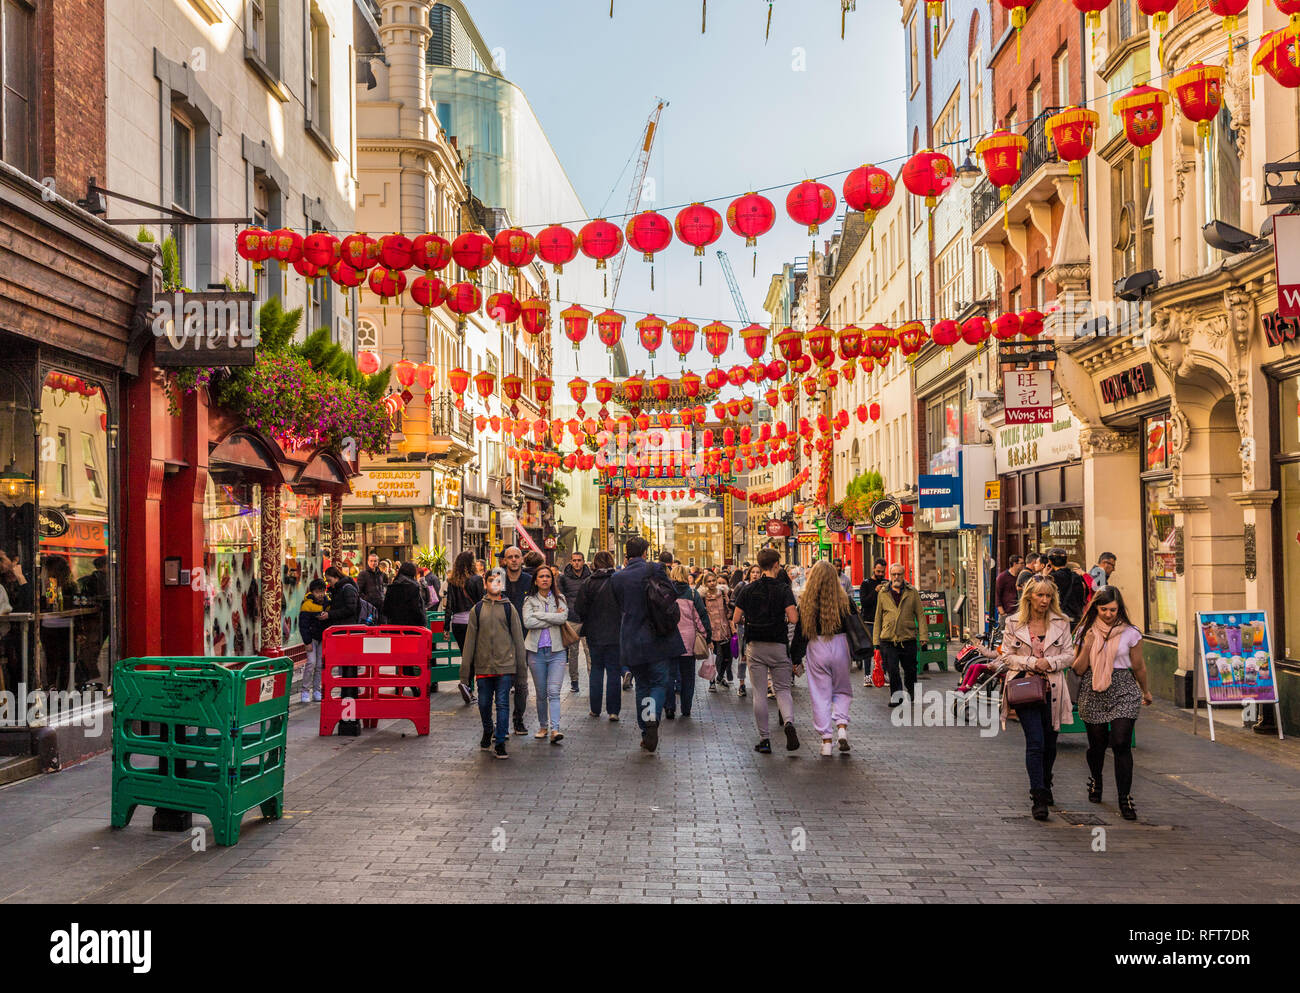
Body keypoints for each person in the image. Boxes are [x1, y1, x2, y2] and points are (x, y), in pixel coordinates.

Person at [1071, 587, 1150, 820]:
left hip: (1124, 687)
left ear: (1120, 608)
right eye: (1103, 609)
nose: (1108, 614)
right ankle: (1096, 778)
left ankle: (1125, 798)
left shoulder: (1131, 633)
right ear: (1095, 607)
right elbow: (1077, 668)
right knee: (1097, 745)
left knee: (1121, 742)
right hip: (1093, 687)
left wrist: (1145, 691)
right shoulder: (1085, 630)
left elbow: (1139, 666)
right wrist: (1088, 644)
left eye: (1113, 610)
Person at [1000, 577, 1076, 821]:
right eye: (1040, 596)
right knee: (1035, 741)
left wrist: (1050, 662)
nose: (1044, 601)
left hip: (1053, 688)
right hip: (1025, 687)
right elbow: (1007, 656)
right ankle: (1038, 797)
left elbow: (1069, 655)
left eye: (1048, 596)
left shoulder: (1061, 623)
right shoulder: (1013, 623)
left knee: (1050, 742)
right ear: (1029, 597)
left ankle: (1046, 780)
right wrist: (1032, 662)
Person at [609, 535, 683, 753]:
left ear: (626, 554)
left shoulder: (617, 578)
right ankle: (652, 719)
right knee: (659, 682)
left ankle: (645, 731)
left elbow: (619, 605)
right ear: (644, 552)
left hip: (632, 637)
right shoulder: (654, 569)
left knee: (642, 684)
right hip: (657, 634)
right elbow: (672, 593)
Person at [733, 548, 800, 754]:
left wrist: (748, 619)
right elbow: (794, 618)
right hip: (778, 644)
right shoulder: (783, 589)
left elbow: (736, 619)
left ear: (760, 566)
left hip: (756, 645)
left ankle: (765, 739)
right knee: (782, 689)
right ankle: (788, 722)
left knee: (760, 693)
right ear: (777, 565)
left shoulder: (748, 589)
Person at [462, 567, 527, 759]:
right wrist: (465, 674)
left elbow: (518, 640)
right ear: (485, 583)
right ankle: (488, 730)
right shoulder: (477, 609)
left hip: (505, 665)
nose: (494, 584)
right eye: (491, 580)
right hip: (483, 666)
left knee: (502, 703)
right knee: (483, 704)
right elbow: (469, 642)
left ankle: (500, 742)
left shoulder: (509, 608)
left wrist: (521, 671)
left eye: (498, 581)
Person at [790, 561, 854, 756]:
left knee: (820, 695)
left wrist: (795, 658)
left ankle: (826, 741)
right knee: (842, 689)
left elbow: (800, 633)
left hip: (816, 646)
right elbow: (853, 626)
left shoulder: (806, 602)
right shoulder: (845, 601)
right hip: (840, 644)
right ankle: (841, 726)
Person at [522, 565, 569, 744]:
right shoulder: (529, 600)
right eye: (541, 576)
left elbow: (562, 618)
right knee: (541, 693)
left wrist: (540, 615)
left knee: (554, 691)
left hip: (557, 652)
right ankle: (543, 726)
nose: (545, 579)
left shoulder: (560, 599)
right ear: (536, 580)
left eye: (548, 576)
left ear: (552, 579)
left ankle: (555, 729)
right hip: (536, 653)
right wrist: (551, 617)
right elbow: (528, 622)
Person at [574, 551, 621, 720]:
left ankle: (595, 708)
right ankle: (613, 711)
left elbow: (579, 607)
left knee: (596, 670)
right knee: (614, 671)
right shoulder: (618, 582)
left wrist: (588, 618)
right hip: (615, 633)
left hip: (594, 633)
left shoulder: (588, 583)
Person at [872, 562, 923, 707]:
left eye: (899, 574)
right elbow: (878, 618)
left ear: (904, 575)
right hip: (888, 639)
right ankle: (897, 696)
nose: (896, 577)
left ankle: (913, 691)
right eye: (894, 574)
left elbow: (920, 614)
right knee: (892, 670)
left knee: (910, 670)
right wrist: (876, 642)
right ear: (890, 575)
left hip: (908, 638)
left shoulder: (912, 592)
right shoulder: (883, 593)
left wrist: (924, 636)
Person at [665, 563, 708, 719]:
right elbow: (701, 617)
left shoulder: (666, 594)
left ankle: (669, 707)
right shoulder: (692, 594)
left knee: (669, 675)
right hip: (688, 640)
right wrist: (705, 635)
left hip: (669, 639)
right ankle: (686, 708)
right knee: (687, 676)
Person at [500, 546, 533, 735]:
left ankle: (518, 719)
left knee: (521, 682)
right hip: (501, 638)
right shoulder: (498, 577)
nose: (513, 560)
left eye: (516, 557)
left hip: (524, 637)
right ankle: (502, 725)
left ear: (522, 560)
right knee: (503, 683)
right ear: (504, 560)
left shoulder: (529, 581)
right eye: (509, 557)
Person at [445, 551, 485, 703]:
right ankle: (468, 686)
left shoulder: (452, 581)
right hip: (473, 621)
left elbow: (449, 605)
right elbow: (482, 602)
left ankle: (466, 685)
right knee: (474, 656)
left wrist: (445, 627)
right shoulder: (476, 579)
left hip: (457, 623)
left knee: (465, 655)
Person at [558, 551, 591, 695]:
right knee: (573, 653)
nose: (576, 563)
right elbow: (560, 597)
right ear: (571, 562)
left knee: (589, 652)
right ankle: (574, 681)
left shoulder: (590, 577)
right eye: (574, 560)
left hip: (587, 619)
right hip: (571, 619)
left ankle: (593, 680)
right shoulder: (564, 578)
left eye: (579, 560)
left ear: (583, 561)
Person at [700, 571, 733, 691]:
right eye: (709, 581)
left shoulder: (723, 593)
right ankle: (711, 681)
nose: (712, 583)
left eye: (713, 580)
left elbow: (729, 608)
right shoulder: (703, 597)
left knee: (727, 656)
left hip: (724, 629)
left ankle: (720, 676)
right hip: (711, 629)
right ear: (705, 583)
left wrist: (729, 617)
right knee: (713, 657)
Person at [297, 579, 329, 704]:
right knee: (311, 663)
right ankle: (305, 690)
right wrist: (307, 642)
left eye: (322, 591)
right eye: (317, 592)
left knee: (320, 665)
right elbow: (303, 625)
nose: (320, 594)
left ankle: (317, 690)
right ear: (312, 592)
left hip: (323, 638)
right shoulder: (307, 605)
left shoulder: (328, 603)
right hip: (311, 638)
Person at [857, 558, 887, 682]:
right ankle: (868, 675)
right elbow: (864, 602)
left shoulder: (887, 583)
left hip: (883, 622)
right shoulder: (866, 584)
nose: (880, 574)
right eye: (878, 571)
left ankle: (883, 674)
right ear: (874, 569)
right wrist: (875, 591)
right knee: (869, 649)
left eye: (882, 572)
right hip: (869, 621)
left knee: (884, 649)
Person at [1046, 547, 1086, 626]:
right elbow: (1081, 597)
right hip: (1075, 618)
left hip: (1057, 619)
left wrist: (1044, 576)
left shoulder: (1051, 579)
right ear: (1066, 561)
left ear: (1049, 562)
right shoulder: (1076, 577)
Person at [357, 552, 388, 619]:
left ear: (378, 562)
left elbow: (385, 587)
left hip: (381, 605)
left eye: (375, 561)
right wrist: (367, 599)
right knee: (370, 625)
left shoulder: (382, 574)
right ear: (368, 562)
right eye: (371, 561)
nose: (373, 563)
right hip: (369, 606)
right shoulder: (363, 574)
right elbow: (358, 591)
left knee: (381, 625)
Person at [996, 555, 1023, 622]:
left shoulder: (1021, 577)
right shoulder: (1002, 577)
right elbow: (997, 595)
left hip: (1019, 613)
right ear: (1014, 564)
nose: (1023, 565)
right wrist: (1002, 613)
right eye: (1021, 563)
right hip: (1007, 613)